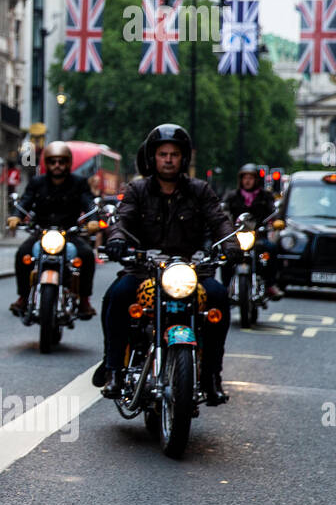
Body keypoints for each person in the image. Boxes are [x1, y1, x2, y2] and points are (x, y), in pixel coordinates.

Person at [94, 124, 233, 405]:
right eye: (162, 154)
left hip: (192, 271)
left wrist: (230, 245)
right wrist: (117, 239)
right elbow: (123, 220)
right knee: (118, 296)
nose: (168, 159)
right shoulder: (137, 189)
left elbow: (219, 221)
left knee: (218, 297)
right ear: (152, 157)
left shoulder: (200, 190)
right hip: (144, 270)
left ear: (183, 159)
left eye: (174, 154)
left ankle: (211, 376)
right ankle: (114, 371)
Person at [7, 140, 98, 319]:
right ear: (46, 163)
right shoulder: (36, 182)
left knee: (87, 255)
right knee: (22, 253)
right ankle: (23, 297)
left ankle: (85, 300)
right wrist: (16, 215)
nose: (57, 165)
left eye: (62, 161)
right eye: (53, 161)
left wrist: (93, 220)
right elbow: (26, 200)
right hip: (42, 232)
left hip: (69, 232)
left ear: (68, 163)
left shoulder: (79, 183)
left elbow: (88, 202)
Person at [221, 163, 283, 299]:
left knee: (271, 248)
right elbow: (223, 212)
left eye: (251, 178)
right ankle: (225, 287)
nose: (247, 181)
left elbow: (274, 212)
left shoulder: (265, 196)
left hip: (258, 235)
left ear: (256, 180)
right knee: (224, 255)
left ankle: (270, 284)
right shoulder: (232, 196)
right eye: (245, 178)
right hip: (236, 236)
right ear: (241, 180)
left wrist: (275, 221)